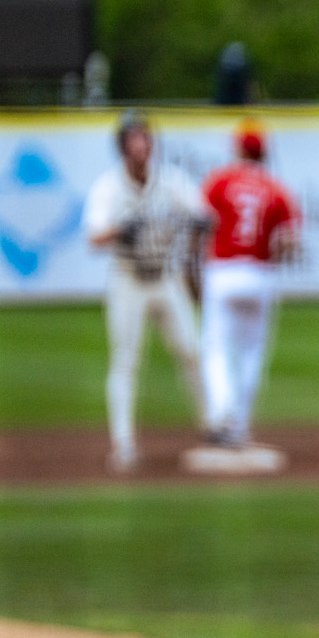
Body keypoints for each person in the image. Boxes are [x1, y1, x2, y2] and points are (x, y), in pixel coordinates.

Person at [82, 110, 212, 473]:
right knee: (126, 360)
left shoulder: (169, 180)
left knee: (191, 350)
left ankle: (211, 426)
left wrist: (191, 260)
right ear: (122, 147)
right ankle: (123, 445)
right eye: (133, 138)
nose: (140, 144)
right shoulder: (109, 187)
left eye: (144, 137)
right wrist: (122, 230)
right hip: (128, 281)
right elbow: (93, 237)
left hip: (166, 277)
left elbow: (204, 215)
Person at [199, 121, 298, 451]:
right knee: (252, 353)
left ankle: (222, 412)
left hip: (223, 270)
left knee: (217, 348)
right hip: (260, 273)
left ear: (239, 148)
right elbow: (289, 240)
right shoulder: (276, 188)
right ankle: (239, 427)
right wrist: (274, 256)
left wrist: (192, 270)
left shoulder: (220, 181)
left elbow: (200, 225)